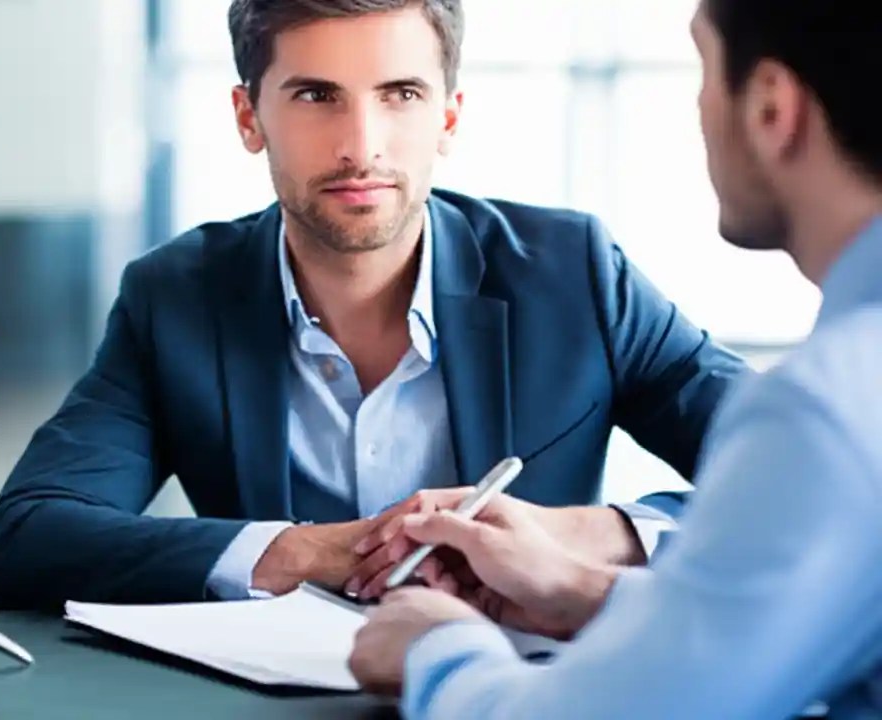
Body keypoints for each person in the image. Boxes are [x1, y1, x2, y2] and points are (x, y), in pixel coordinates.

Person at [0, 0, 748, 611]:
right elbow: (24, 541)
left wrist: (581, 534)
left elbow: (816, 473)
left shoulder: (573, 273)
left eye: (400, 94)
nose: (361, 143)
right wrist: (314, 553)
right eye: (316, 95)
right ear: (249, 117)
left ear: (447, 117)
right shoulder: (175, 295)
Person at [349, 0, 882, 717]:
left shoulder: (829, 405)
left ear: (770, 108)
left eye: (704, 69)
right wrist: (587, 593)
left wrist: (436, 647)